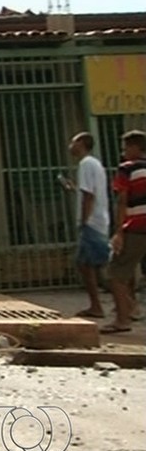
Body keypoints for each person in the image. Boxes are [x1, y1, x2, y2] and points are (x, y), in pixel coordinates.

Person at [62, 132, 110, 318]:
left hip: (91, 222)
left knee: (91, 264)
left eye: (73, 141)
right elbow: (88, 194)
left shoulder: (85, 164)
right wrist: (74, 189)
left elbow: (89, 196)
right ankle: (106, 304)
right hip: (98, 219)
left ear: (81, 143)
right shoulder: (94, 164)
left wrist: (83, 221)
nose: (70, 145)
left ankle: (103, 305)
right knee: (90, 263)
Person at [105, 129, 146, 334]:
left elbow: (122, 200)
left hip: (135, 227)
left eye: (125, 148)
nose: (123, 152)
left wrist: (119, 231)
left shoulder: (127, 169)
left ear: (134, 147)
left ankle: (123, 320)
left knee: (116, 273)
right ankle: (131, 308)